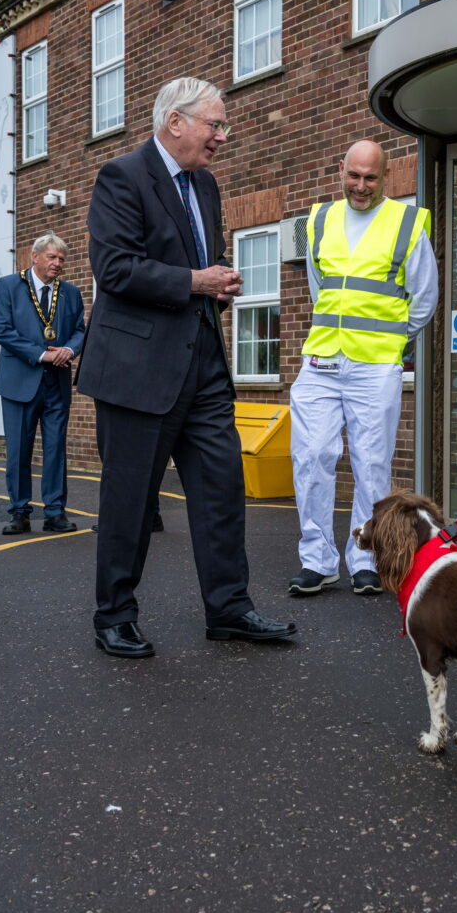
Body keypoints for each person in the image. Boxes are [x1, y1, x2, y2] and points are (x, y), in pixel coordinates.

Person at [78, 76, 295, 657]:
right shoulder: (121, 177)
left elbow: (200, 260)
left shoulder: (206, 185)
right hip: (136, 369)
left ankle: (229, 608)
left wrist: (216, 279)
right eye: (214, 124)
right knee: (130, 501)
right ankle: (114, 615)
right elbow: (117, 269)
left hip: (201, 366)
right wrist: (196, 281)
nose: (222, 136)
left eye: (222, 126)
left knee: (222, 490)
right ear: (175, 122)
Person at [287, 140, 438, 597]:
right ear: (342, 170)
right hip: (321, 358)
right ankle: (317, 560)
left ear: (385, 177)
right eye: (353, 175)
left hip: (375, 365)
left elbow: (424, 299)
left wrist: (389, 339)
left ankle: (365, 558)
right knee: (311, 457)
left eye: (370, 178)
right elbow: (320, 289)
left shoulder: (407, 223)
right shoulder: (319, 219)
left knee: (371, 464)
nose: (360, 186)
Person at [0, 232, 86, 535]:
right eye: (51, 257)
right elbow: (2, 331)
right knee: (18, 451)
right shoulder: (8, 286)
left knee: (56, 449)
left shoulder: (70, 292)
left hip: (56, 383)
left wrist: (69, 350)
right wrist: (43, 354)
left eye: (61, 259)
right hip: (20, 381)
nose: (57, 263)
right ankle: (19, 512)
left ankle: (55, 513)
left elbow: (80, 330)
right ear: (34, 257)